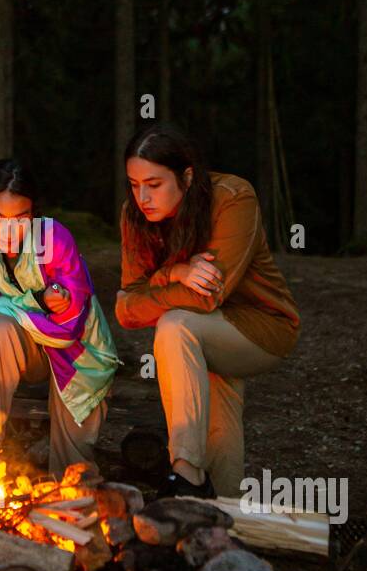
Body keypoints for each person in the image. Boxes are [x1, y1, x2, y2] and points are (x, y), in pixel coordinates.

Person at [115, 123, 300, 499]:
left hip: (261, 328)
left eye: (154, 184)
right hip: (208, 333)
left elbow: (205, 298)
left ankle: (185, 473)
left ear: (186, 176)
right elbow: (125, 311)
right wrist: (176, 273)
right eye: (134, 185)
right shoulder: (134, 217)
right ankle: (222, 516)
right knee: (219, 420)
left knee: (175, 325)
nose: (142, 198)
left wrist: (155, 286)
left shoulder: (233, 198)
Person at [0, 159, 119, 481]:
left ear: (35, 215)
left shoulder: (55, 239)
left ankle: (72, 498)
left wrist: (59, 302)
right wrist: (39, 301)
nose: (9, 232)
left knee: (73, 466)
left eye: (21, 219)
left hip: (75, 350)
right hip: (19, 349)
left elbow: (70, 324)